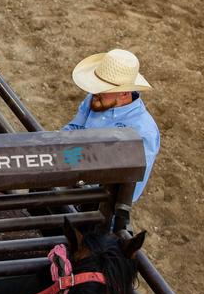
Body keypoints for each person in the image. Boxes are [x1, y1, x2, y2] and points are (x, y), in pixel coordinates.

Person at [62, 49, 160, 202]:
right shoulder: (95, 99)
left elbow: (126, 187)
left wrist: (64, 158)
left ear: (124, 93)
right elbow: (73, 130)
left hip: (100, 203)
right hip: (73, 184)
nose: (94, 91)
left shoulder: (143, 132)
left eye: (103, 88)